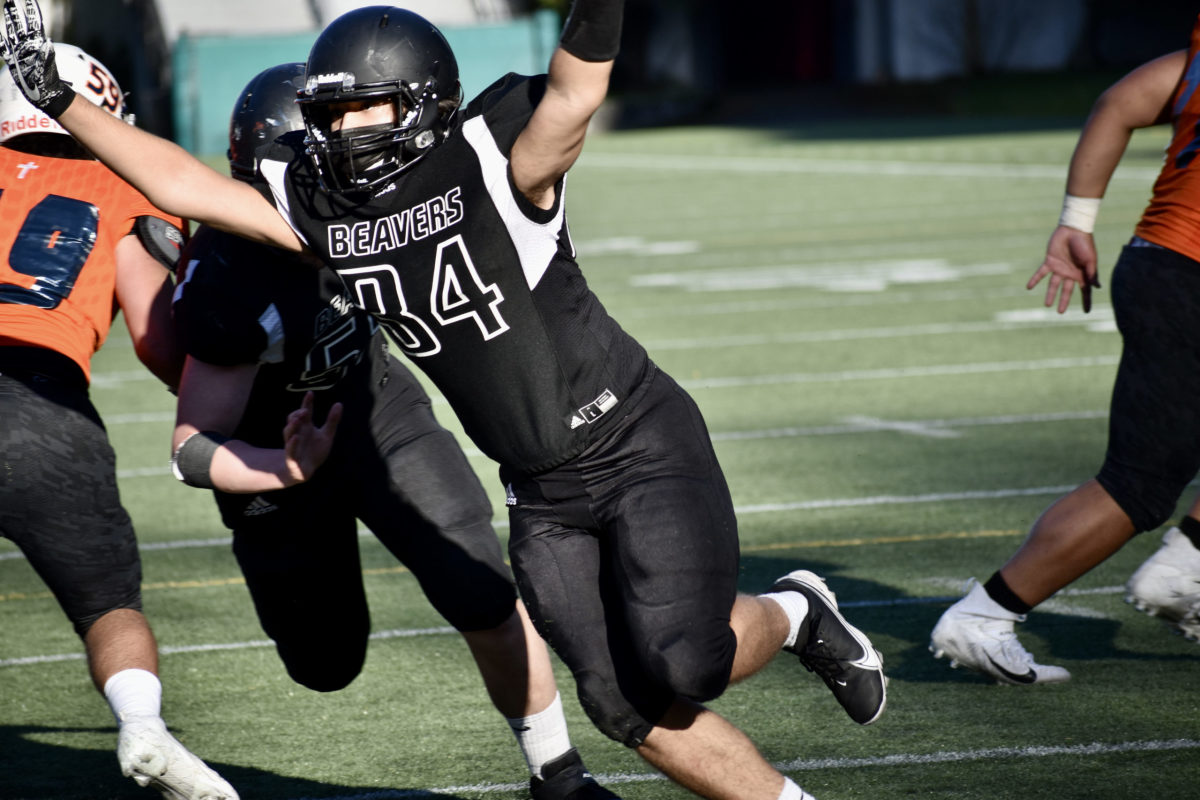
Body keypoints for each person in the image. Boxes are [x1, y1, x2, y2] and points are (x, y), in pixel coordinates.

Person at [0, 4, 887, 799]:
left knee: (684, 662)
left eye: (361, 108)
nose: (340, 130)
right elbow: (185, 187)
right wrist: (61, 99)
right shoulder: (326, 215)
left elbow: (575, 96)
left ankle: (800, 609)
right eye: (331, 112)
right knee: (624, 707)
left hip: (635, 439)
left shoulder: (494, 163)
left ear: (421, 100)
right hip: (542, 490)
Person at [171, 61, 619, 800]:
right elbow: (190, 446)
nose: (349, 175)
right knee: (325, 663)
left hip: (379, 410)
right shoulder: (233, 273)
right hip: (275, 455)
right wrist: (280, 471)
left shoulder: (380, 207)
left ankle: (558, 774)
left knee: (479, 584)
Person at [930, 15, 1200, 685]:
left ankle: (988, 615)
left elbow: (1120, 102)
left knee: (1135, 481)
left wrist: (1074, 223)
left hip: (1158, 263)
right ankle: (1184, 565)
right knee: (1137, 484)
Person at [0, 42, 238, 800]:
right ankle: (143, 726)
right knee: (108, 606)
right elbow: (157, 338)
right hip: (42, 402)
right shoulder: (126, 181)